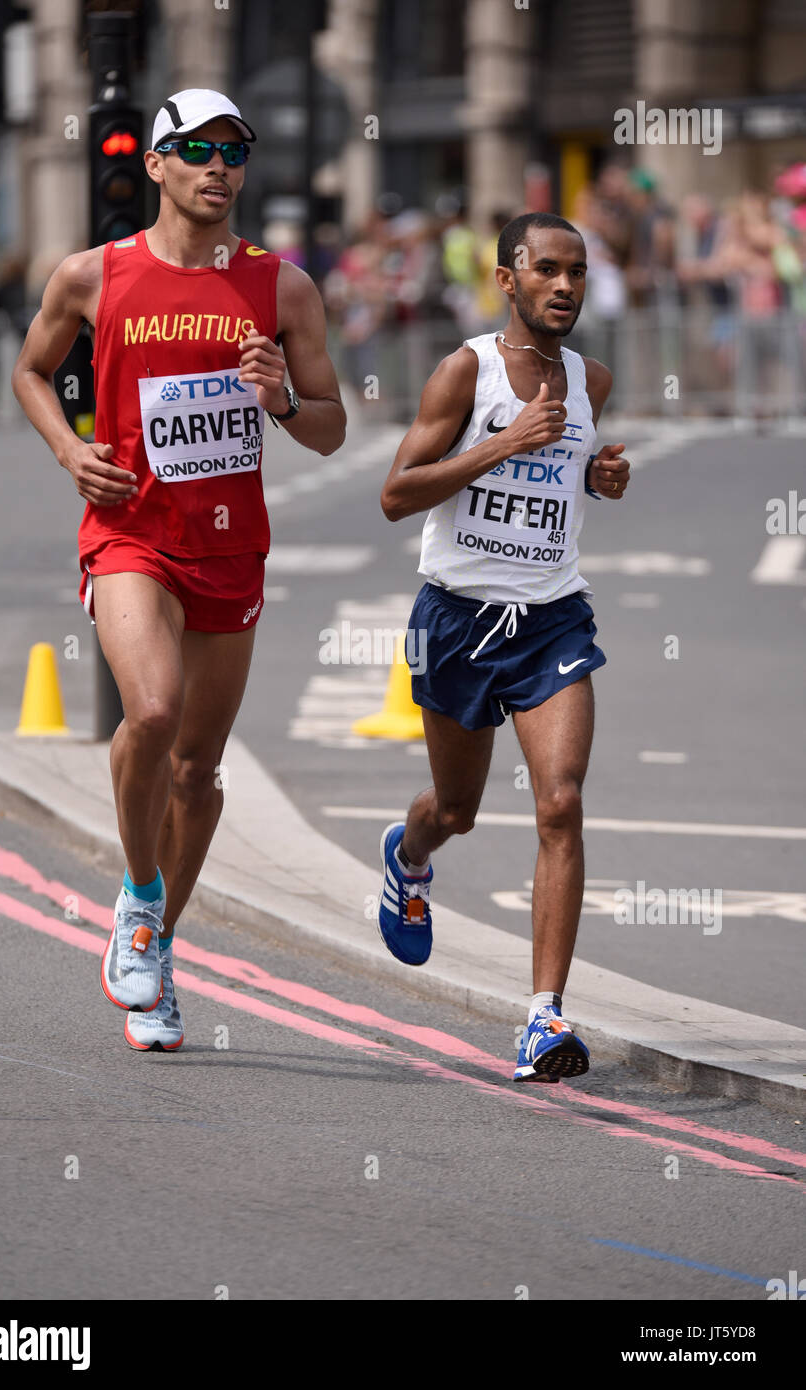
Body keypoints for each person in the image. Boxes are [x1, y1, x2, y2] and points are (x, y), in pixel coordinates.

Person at [12, 88, 346, 1051]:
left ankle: (155, 953)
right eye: (195, 148)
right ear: (153, 164)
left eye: (233, 151)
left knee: (197, 773)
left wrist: (282, 400)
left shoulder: (282, 289)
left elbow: (330, 430)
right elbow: (32, 371)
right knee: (150, 714)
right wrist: (70, 452)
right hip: (129, 534)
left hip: (230, 545)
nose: (217, 166)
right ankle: (139, 893)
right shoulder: (91, 275)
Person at [377, 212, 629, 1084]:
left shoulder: (592, 378)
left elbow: (578, 466)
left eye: (577, 273)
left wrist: (602, 473)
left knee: (559, 802)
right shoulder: (465, 371)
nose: (564, 286)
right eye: (547, 270)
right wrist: (501, 443)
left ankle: (542, 1019)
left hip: (552, 617)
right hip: (455, 618)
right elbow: (396, 494)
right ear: (507, 280)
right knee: (456, 811)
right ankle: (409, 860)